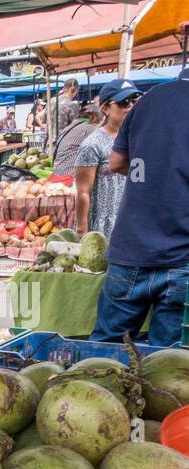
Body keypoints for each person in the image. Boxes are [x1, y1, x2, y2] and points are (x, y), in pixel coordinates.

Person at [92, 74, 188, 349]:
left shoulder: (149, 100)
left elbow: (117, 161)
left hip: (130, 250)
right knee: (165, 366)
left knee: (104, 353)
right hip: (181, 257)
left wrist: (153, 172)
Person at [74, 79, 138, 238]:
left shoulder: (138, 139)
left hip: (131, 222)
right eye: (123, 102)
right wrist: (82, 232)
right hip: (103, 229)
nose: (130, 106)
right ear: (105, 108)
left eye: (134, 101)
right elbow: (83, 192)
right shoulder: (92, 145)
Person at [52, 100, 99, 177]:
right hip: (71, 178)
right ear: (93, 117)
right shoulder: (91, 128)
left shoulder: (67, 128)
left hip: (57, 175)